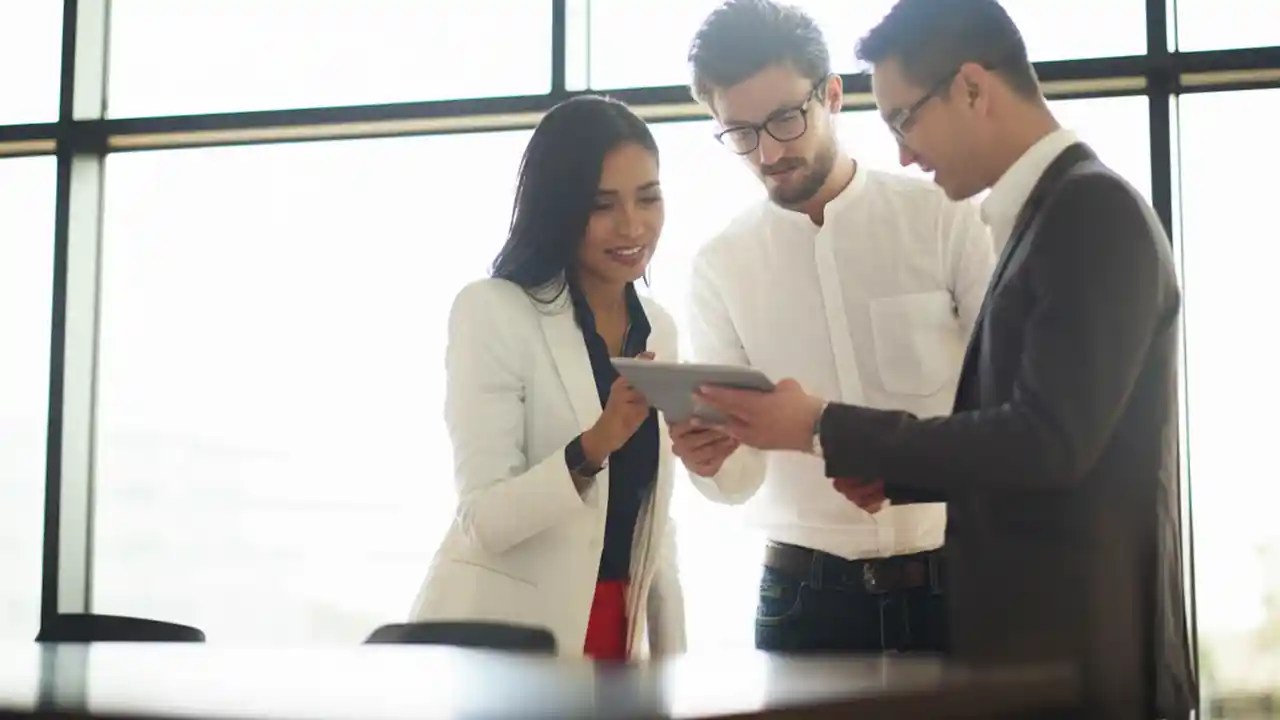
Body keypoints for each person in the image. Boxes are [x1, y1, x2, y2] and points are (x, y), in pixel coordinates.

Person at [692, 0, 1197, 716]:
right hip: (1034, 636)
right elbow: (1032, 432)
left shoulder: (1087, 213)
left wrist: (825, 426)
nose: (902, 151)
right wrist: (895, 471)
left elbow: (1046, 440)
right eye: (741, 133)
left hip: (1081, 644)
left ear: (971, 88)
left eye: (905, 119)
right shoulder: (1053, 215)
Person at [672, 0, 995, 654]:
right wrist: (709, 460)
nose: (768, 152)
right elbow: (736, 483)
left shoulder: (944, 215)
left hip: (958, 585)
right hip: (803, 604)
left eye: (786, 119)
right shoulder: (720, 267)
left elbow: (1009, 404)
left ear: (834, 95)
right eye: (739, 132)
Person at [408, 95, 686, 662]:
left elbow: (654, 521)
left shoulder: (658, 328)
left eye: (648, 197)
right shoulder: (493, 310)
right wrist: (595, 445)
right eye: (602, 204)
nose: (632, 224)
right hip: (503, 643)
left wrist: (671, 661)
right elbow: (484, 519)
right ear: (559, 208)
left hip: (617, 634)